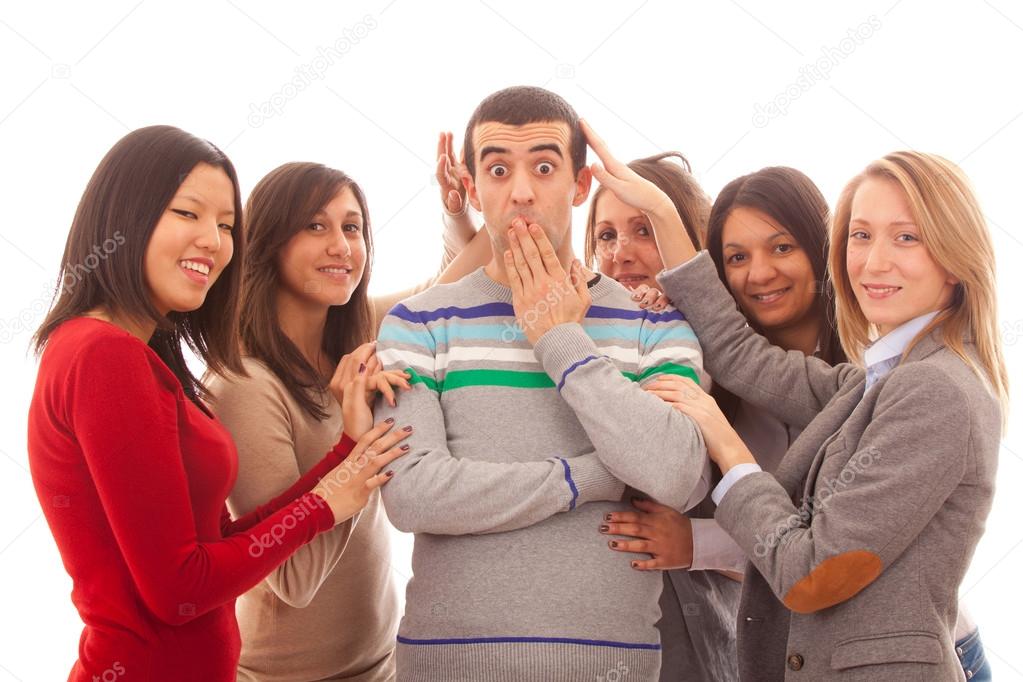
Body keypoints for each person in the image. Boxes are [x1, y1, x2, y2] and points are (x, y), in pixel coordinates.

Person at [587, 121, 1006, 679]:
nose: (875, 262)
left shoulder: (931, 388)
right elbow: (740, 354)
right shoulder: (877, 379)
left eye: (906, 237)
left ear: (955, 255)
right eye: (861, 236)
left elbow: (810, 572)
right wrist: (664, 218)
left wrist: (725, 445)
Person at [26, 125, 409, 681]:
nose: (213, 240)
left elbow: (218, 543)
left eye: (226, 225)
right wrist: (327, 503)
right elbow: (180, 588)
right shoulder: (103, 357)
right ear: (123, 217)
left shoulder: (126, 353)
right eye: (188, 213)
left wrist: (346, 453)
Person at [374, 85, 711, 681]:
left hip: (613, 667)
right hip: (445, 667)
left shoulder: (656, 323)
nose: (522, 191)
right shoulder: (416, 323)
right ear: (473, 190)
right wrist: (593, 474)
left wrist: (561, 342)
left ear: (581, 186)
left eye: (545, 166)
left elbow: (678, 478)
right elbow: (413, 495)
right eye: (498, 169)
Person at [205, 158, 489, 681]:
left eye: (352, 227)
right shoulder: (245, 386)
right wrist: (355, 445)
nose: (341, 246)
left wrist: (464, 208)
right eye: (316, 226)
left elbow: (450, 284)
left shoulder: (362, 331)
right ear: (268, 242)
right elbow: (294, 578)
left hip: (381, 663)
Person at [583, 152, 741, 682]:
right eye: (605, 235)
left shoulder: (727, 346)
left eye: (643, 230)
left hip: (700, 626)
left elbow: (796, 539)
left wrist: (695, 544)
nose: (620, 254)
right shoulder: (577, 331)